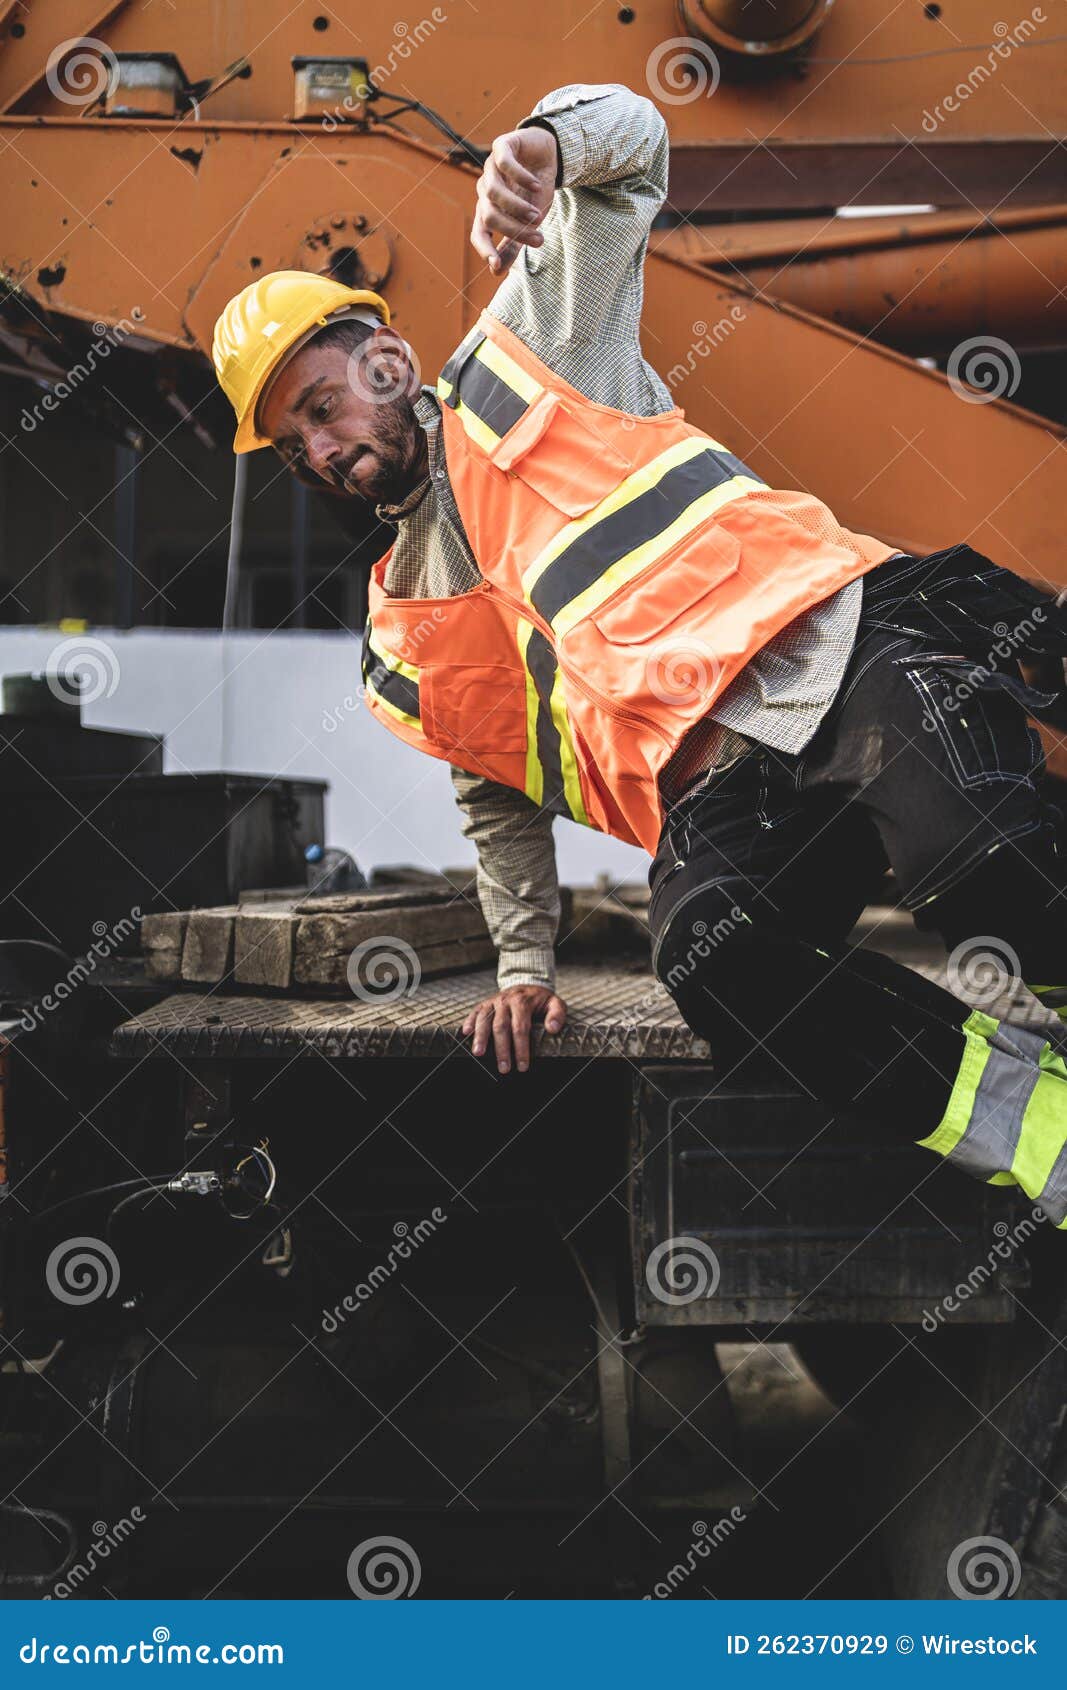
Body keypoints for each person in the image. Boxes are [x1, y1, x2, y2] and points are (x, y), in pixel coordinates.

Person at [212, 83, 1067, 1229]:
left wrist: (540, 146)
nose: (322, 446)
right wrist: (524, 967)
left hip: (832, 649)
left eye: (325, 403)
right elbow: (495, 797)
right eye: (295, 437)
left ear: (388, 359)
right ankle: (1043, 1129)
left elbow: (634, 154)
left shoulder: (530, 347)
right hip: (725, 789)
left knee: (981, 867)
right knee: (717, 962)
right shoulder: (395, 635)